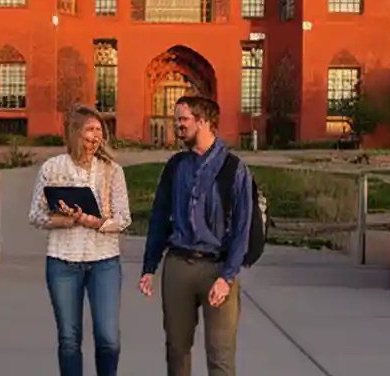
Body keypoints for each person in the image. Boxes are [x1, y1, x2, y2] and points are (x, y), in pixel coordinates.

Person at [139, 95, 253, 376]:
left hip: (217, 267)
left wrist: (227, 277)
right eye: (176, 119)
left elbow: (242, 229)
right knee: (176, 350)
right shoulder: (176, 166)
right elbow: (159, 217)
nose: (177, 125)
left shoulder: (233, 169)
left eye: (183, 119)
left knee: (220, 355)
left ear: (203, 122)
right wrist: (149, 267)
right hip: (178, 265)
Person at [28, 104, 132, 376]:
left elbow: (124, 219)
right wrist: (67, 219)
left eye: (99, 130)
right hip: (63, 261)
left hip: (105, 263)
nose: (95, 136)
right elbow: (35, 215)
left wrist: (93, 221)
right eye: (90, 129)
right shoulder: (52, 168)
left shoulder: (112, 170)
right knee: (69, 339)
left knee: (108, 338)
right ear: (74, 133)